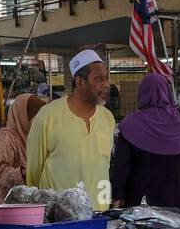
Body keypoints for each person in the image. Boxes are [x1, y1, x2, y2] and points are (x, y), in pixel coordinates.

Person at [110, 73, 180, 210]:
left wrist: (116, 202)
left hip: (140, 211)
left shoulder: (130, 125)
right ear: (168, 92)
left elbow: (120, 171)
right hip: (179, 209)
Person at [26, 49, 116, 211]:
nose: (106, 84)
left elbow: (103, 167)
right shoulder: (48, 115)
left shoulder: (107, 118)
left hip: (99, 214)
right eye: (98, 79)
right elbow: (33, 170)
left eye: (106, 78)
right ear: (80, 81)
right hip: (59, 216)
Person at [0, 93, 40, 206]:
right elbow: (1, 172)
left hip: (22, 206)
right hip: (3, 207)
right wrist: (26, 172)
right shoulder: (5, 138)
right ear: (23, 116)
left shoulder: (30, 138)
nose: (39, 122)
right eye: (35, 117)